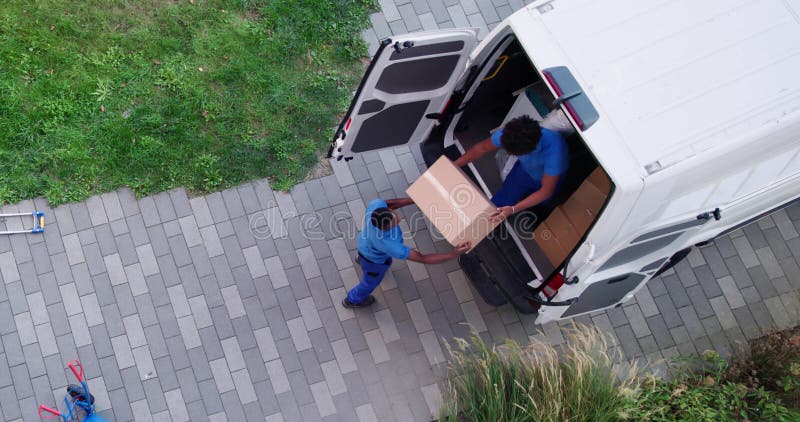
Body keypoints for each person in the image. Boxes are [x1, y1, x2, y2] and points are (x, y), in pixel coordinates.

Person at [343, 198, 470, 308]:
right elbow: (422, 258)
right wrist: (453, 254)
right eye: (395, 220)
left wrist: (415, 199)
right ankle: (352, 300)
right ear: (386, 228)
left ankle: (361, 260)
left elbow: (390, 203)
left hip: (365, 245)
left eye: (393, 213)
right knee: (370, 282)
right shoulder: (390, 245)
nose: (399, 217)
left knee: (370, 256)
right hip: (374, 262)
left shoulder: (375, 207)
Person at [453, 115, 568, 223]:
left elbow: (545, 191)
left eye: (511, 152)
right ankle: (480, 227)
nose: (508, 153)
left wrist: (513, 209)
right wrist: (454, 165)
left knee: (542, 201)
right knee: (499, 205)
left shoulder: (555, 152)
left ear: (528, 151)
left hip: (549, 178)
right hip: (524, 172)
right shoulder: (510, 134)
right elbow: (481, 148)